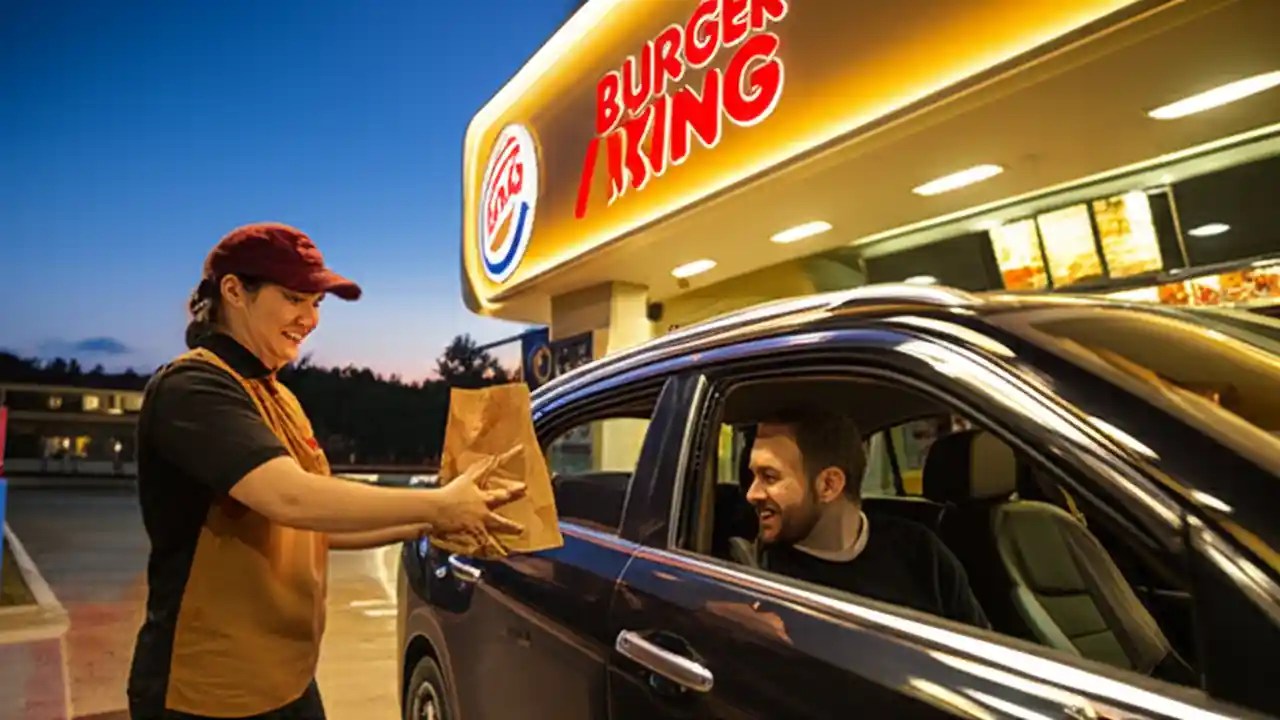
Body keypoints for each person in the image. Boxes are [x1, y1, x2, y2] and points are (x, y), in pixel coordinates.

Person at [127, 222, 526, 720]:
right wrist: (438, 503)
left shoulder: (278, 395)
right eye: (295, 298)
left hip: (286, 676)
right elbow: (289, 497)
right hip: (209, 688)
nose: (309, 318)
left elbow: (312, 520)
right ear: (234, 291)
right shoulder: (194, 386)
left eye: (317, 304)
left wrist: (435, 521)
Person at [745, 409, 989, 629]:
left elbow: (984, 654)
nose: (751, 494)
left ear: (829, 485)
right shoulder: (755, 570)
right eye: (753, 476)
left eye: (769, 477)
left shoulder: (921, 552)